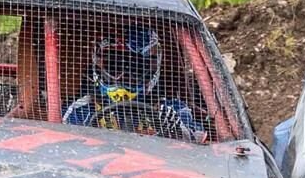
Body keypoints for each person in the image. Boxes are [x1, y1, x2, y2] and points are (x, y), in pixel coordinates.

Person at [61, 25, 208, 141]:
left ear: (151, 69)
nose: (124, 76)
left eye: (135, 68)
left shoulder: (172, 110)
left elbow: (200, 146)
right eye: (114, 66)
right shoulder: (81, 110)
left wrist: (177, 131)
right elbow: (63, 148)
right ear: (100, 67)